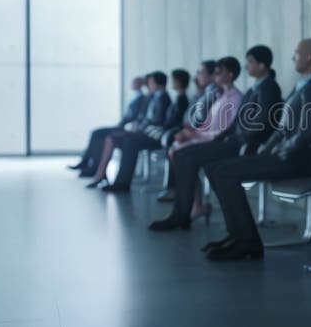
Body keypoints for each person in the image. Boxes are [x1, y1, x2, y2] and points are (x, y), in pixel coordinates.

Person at [202, 39, 311, 261]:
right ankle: (237, 235)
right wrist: (267, 151)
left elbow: (308, 132)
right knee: (214, 168)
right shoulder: (303, 85)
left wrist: (279, 152)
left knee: (223, 172)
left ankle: (247, 241)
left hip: (299, 160)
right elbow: (282, 129)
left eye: (297, 53)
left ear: (309, 57)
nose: (293, 57)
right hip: (285, 154)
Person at [149, 46, 282, 231]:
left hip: (244, 144)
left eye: (250, 62)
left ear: (262, 65)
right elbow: (236, 123)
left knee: (187, 157)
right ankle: (183, 213)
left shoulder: (268, 88)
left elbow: (262, 121)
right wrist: (223, 137)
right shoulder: (255, 88)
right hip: (233, 140)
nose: (246, 66)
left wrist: (236, 139)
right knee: (182, 155)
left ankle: (182, 215)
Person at [85, 71, 171, 190]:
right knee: (112, 138)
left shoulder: (162, 98)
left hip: (152, 135)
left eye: (150, 83)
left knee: (127, 141)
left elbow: (156, 121)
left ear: (158, 84)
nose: (148, 85)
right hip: (145, 131)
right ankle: (103, 174)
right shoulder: (156, 97)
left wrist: (139, 127)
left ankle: (118, 181)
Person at [156, 60, 220, 201]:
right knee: (174, 145)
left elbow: (204, 120)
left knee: (177, 147)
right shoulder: (204, 93)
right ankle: (178, 190)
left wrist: (191, 132)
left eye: (201, 72)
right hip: (193, 131)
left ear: (212, 75)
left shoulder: (214, 94)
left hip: (199, 134)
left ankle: (178, 190)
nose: (197, 76)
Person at [69, 76, 147, 177]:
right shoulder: (137, 96)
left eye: (135, 82)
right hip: (125, 125)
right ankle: (88, 162)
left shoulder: (142, 97)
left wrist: (121, 124)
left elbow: (133, 116)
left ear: (140, 84)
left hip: (127, 127)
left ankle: (92, 166)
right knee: (96, 134)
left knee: (99, 135)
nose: (132, 85)